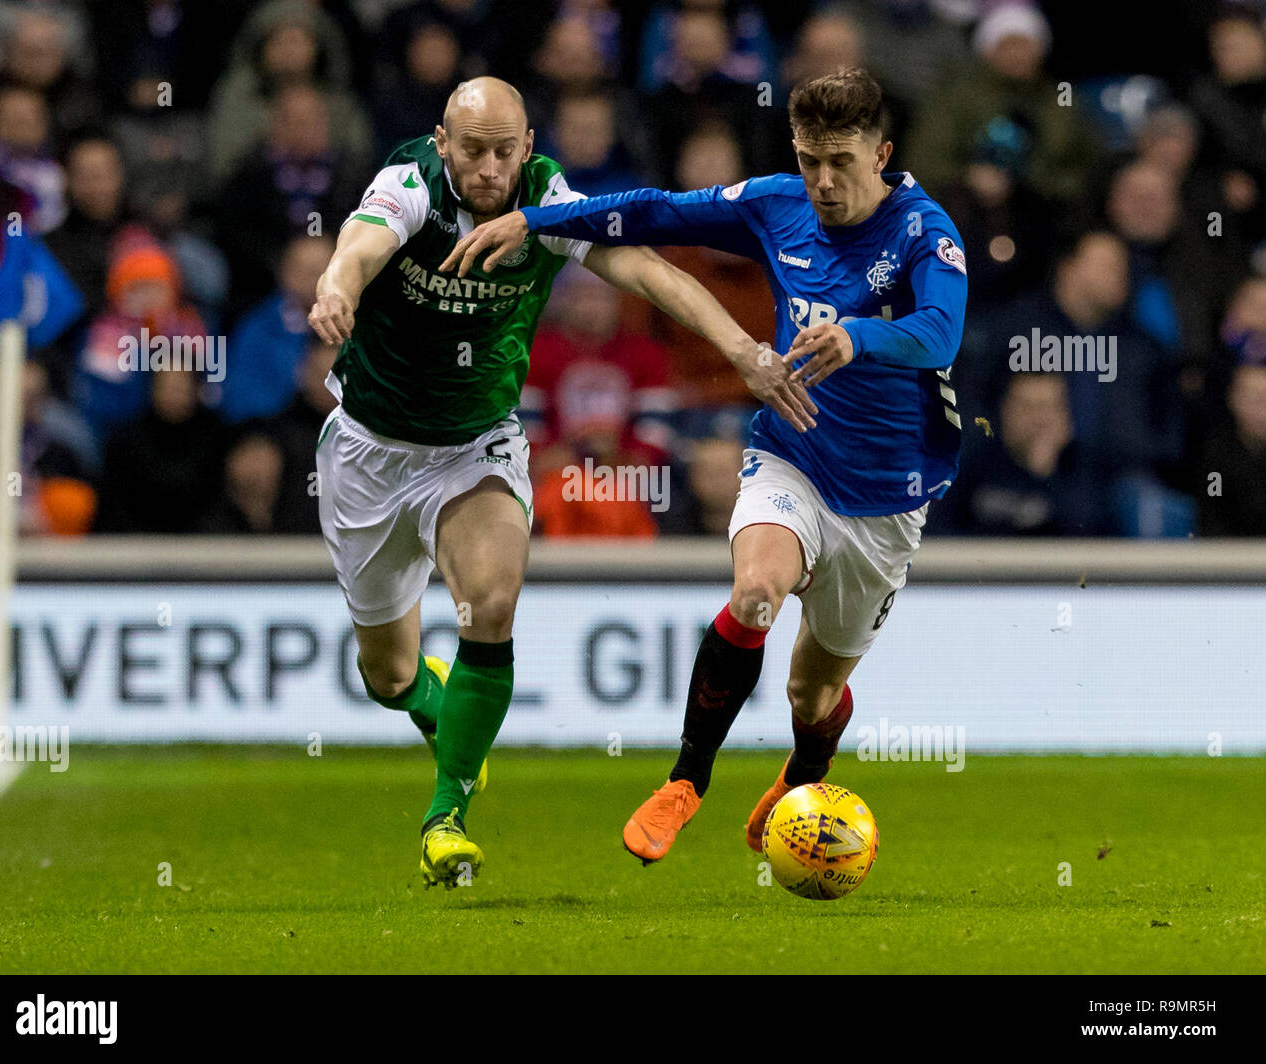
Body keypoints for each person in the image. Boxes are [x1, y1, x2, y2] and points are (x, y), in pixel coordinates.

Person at [445, 67, 967, 864]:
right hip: (793, 450)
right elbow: (654, 210)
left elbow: (939, 333)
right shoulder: (777, 204)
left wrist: (860, 337)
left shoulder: (925, 233)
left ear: (882, 154)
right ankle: (686, 781)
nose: (822, 182)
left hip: (888, 496)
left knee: (811, 692)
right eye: (808, 160)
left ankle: (805, 771)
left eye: (841, 164)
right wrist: (538, 218)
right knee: (756, 593)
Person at [308, 76, 813, 889]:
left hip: (475, 448)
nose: (488, 167)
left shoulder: (547, 203)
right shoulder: (409, 182)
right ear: (444, 144)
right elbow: (362, 244)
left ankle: (446, 815)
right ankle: (446, 711)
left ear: (528, 146)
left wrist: (742, 349)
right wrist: (337, 286)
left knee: (493, 602)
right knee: (388, 676)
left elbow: (648, 273)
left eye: (505, 150)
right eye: (472, 150)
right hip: (368, 450)